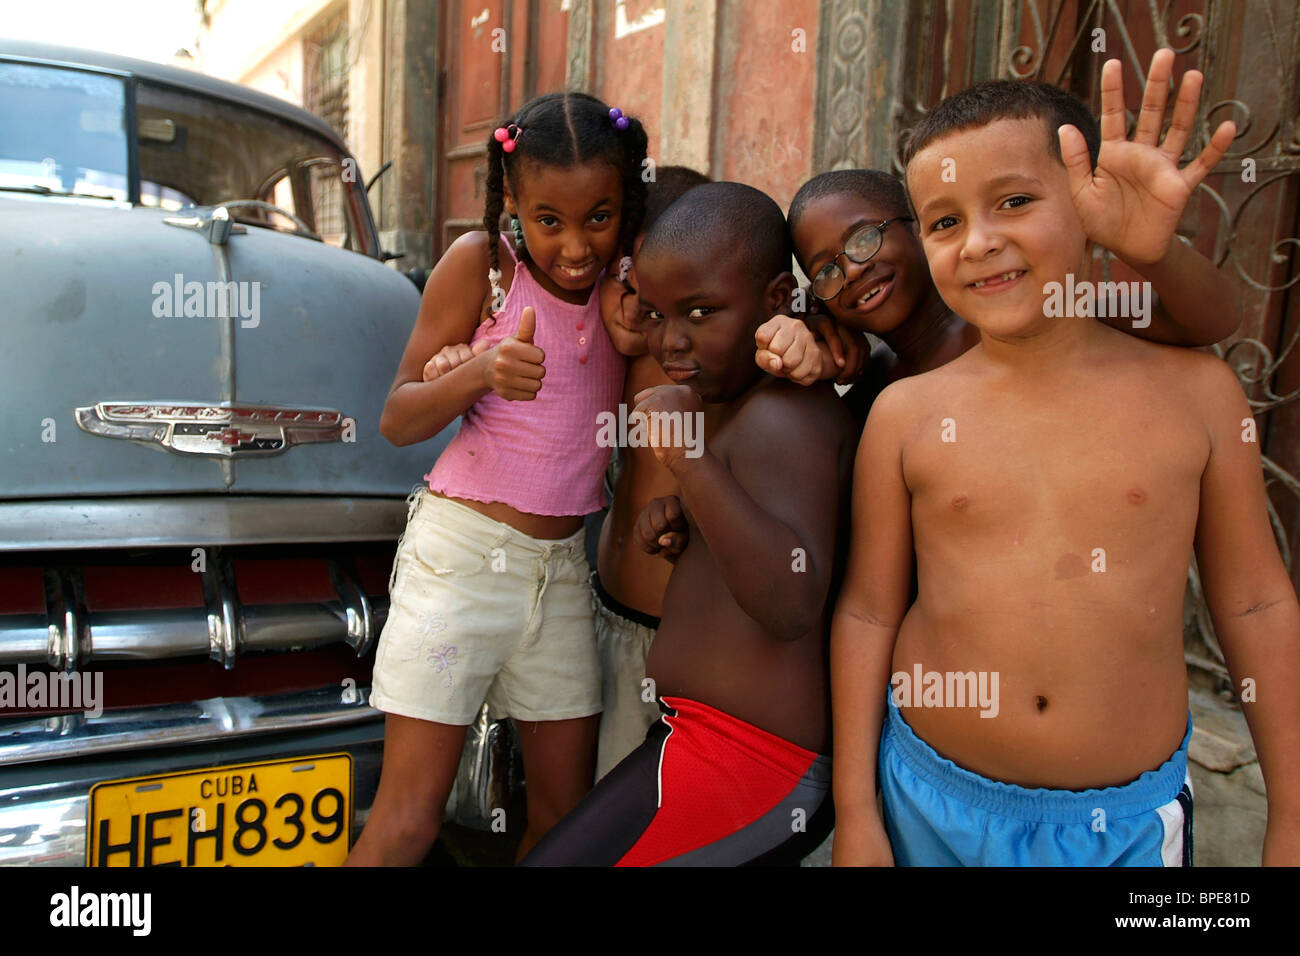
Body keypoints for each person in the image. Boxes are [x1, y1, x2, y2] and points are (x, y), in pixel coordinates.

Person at [831, 58, 1300, 866]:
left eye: (1015, 201)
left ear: (1091, 203)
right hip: (928, 800)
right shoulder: (908, 415)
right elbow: (869, 612)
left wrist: (1289, 816)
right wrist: (857, 813)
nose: (980, 242)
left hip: (1123, 823)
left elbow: (1255, 603)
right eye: (943, 223)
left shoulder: (1199, 393)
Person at [344, 92, 648, 865]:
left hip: (561, 575)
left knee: (563, 820)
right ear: (513, 202)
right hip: (462, 564)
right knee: (409, 821)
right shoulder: (482, 265)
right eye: (550, 220)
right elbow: (398, 418)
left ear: (629, 203)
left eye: (599, 217)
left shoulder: (632, 287)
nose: (575, 245)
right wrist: (479, 371)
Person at [522, 182, 857, 866]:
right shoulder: (732, 403)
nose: (670, 341)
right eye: (656, 313)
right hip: (700, 739)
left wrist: (692, 462)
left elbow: (791, 600)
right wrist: (684, 529)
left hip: (757, 762)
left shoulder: (788, 415)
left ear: (774, 302)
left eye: (700, 312)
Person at [760, 50, 1241, 421]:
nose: (853, 270)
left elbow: (1210, 320)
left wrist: (1154, 256)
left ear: (915, 228)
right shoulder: (877, 391)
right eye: (826, 271)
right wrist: (806, 347)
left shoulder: (1035, 309)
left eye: (865, 239)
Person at [423, 167, 713, 782]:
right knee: (597, 804)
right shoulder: (598, 338)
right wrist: (462, 362)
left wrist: (812, 334)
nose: (639, 308)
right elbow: (482, 359)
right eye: (629, 280)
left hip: (694, 643)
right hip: (602, 611)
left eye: (678, 293)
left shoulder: (721, 359)